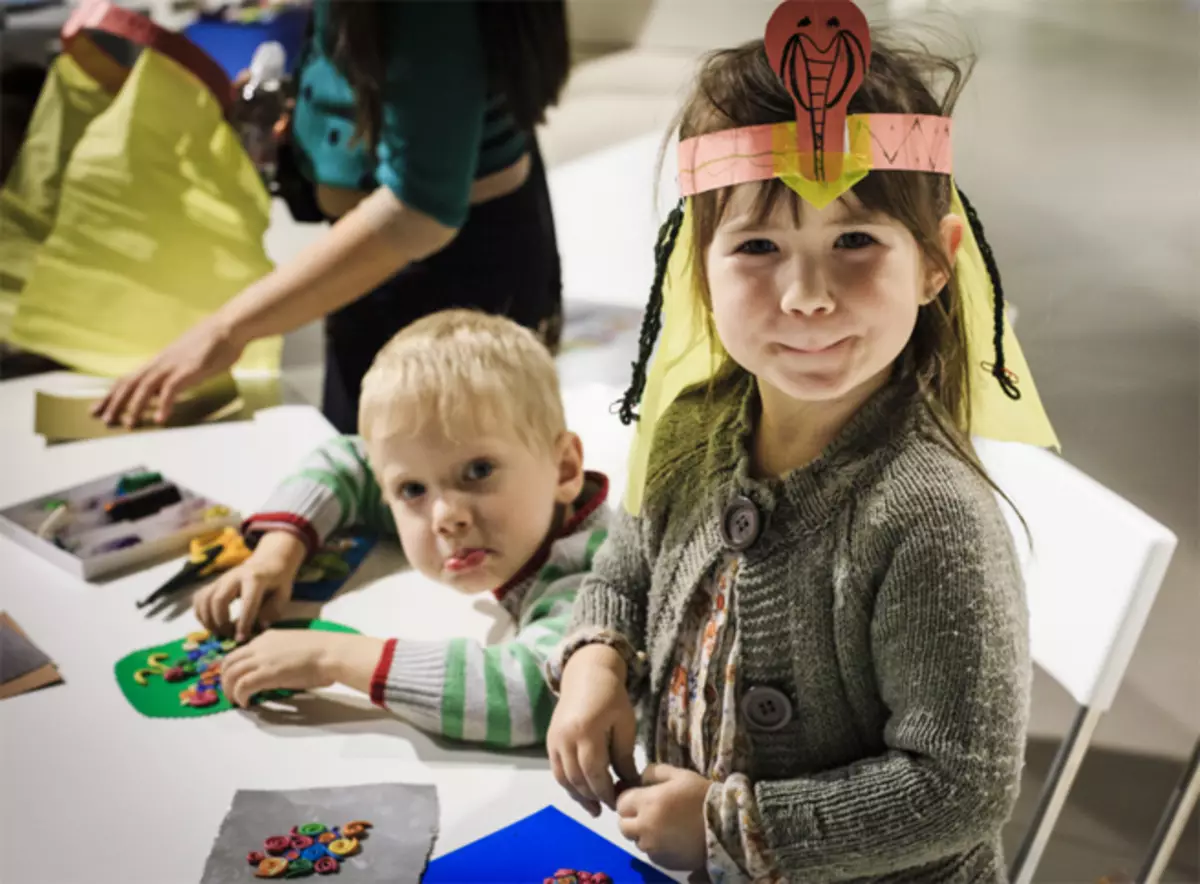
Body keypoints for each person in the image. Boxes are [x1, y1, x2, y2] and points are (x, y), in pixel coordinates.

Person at [543, 6, 1049, 880]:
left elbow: (961, 787)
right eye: (759, 246)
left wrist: (730, 828)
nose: (808, 294)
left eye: (854, 240)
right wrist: (597, 650)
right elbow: (632, 555)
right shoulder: (695, 426)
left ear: (936, 259)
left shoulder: (931, 521)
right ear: (696, 267)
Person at [94, 1, 569, 433]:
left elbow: (420, 210)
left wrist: (228, 329)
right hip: (397, 259)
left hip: (441, 273)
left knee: (402, 488)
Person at [194, 311, 611, 748]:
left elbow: (534, 696)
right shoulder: (499, 513)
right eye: (412, 489)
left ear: (564, 469)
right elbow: (347, 461)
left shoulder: (596, 572)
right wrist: (277, 552)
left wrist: (329, 656)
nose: (445, 515)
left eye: (479, 470)